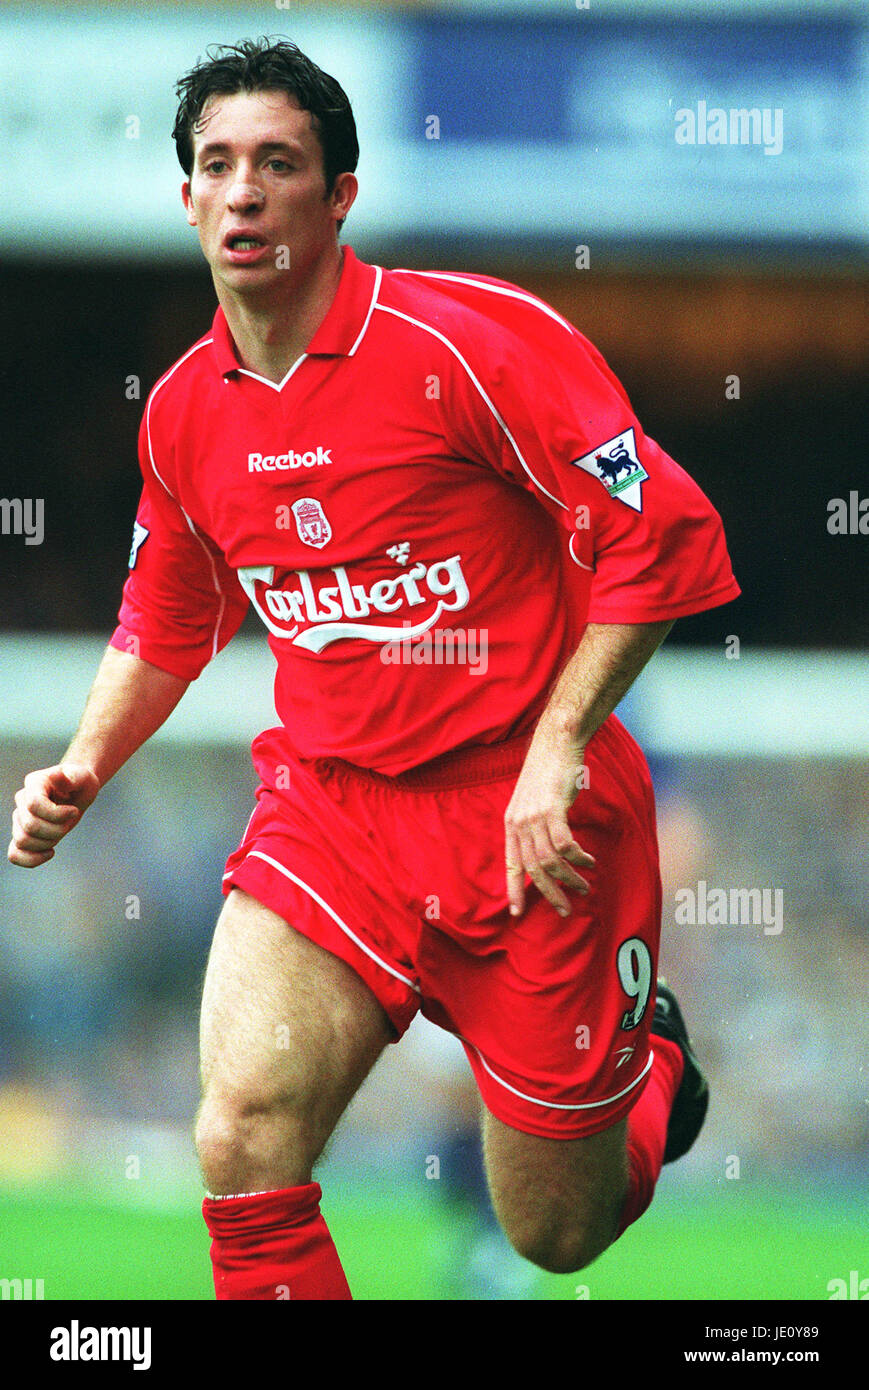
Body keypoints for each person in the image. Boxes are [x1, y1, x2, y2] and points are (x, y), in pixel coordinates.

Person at [8, 38, 740, 1300]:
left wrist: (558, 745)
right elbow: (169, 613)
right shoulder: (184, 409)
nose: (241, 192)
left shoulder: (471, 344)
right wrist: (82, 761)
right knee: (240, 1132)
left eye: (276, 164)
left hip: (530, 822)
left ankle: (649, 1062)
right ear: (185, 199)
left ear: (339, 194)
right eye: (215, 166)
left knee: (551, 1234)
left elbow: (665, 534)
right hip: (332, 814)